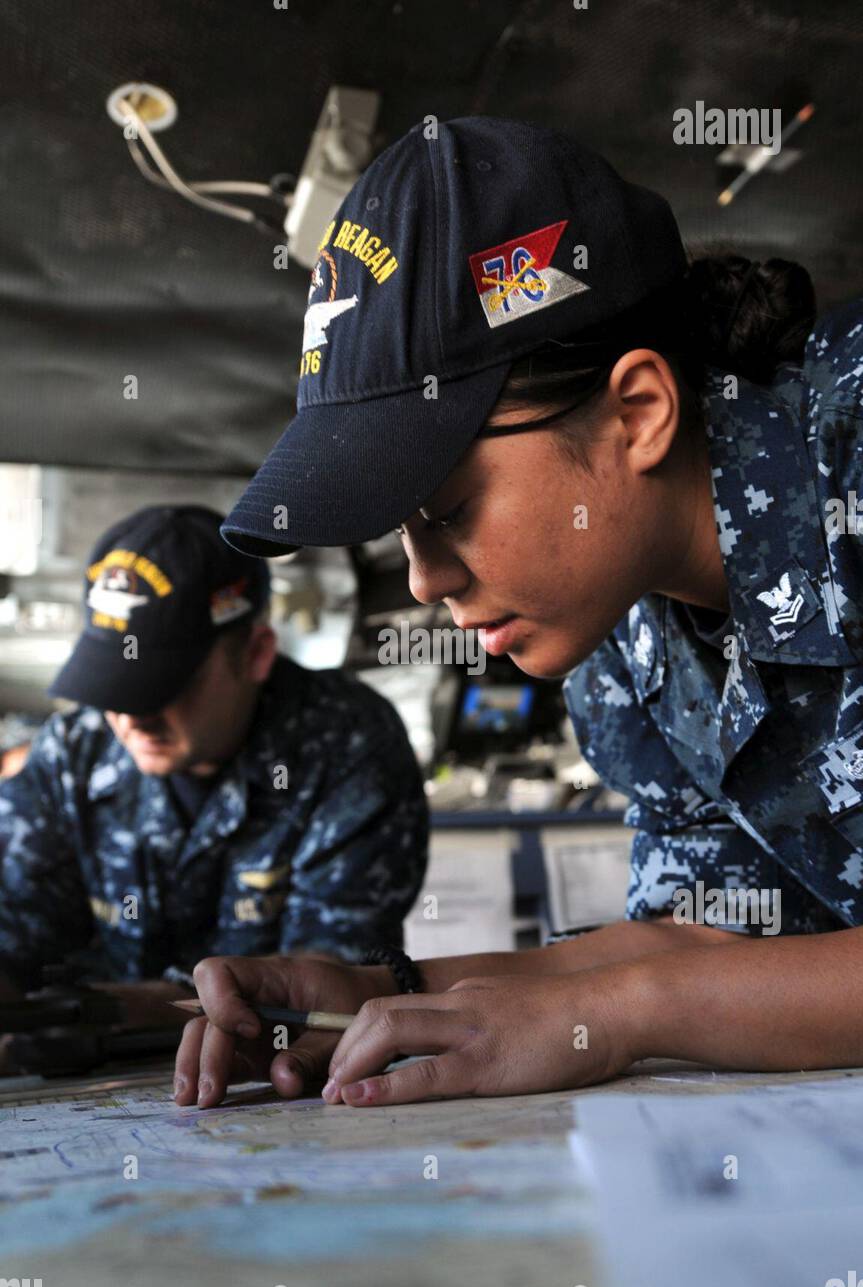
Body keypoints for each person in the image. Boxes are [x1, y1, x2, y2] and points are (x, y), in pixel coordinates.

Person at [173, 115, 863, 1110]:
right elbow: (720, 938)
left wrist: (621, 1016)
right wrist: (387, 991)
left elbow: (665, 987)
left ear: (635, 412)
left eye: (446, 508)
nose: (419, 581)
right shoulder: (618, 636)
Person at [0, 505, 428, 1025]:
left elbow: (325, 988)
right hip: (91, 1083)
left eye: (161, 686)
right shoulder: (73, 754)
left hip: (284, 1078)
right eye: (112, 685)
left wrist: (102, 1011)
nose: (133, 719)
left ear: (255, 655)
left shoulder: (348, 744)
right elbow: (13, 932)